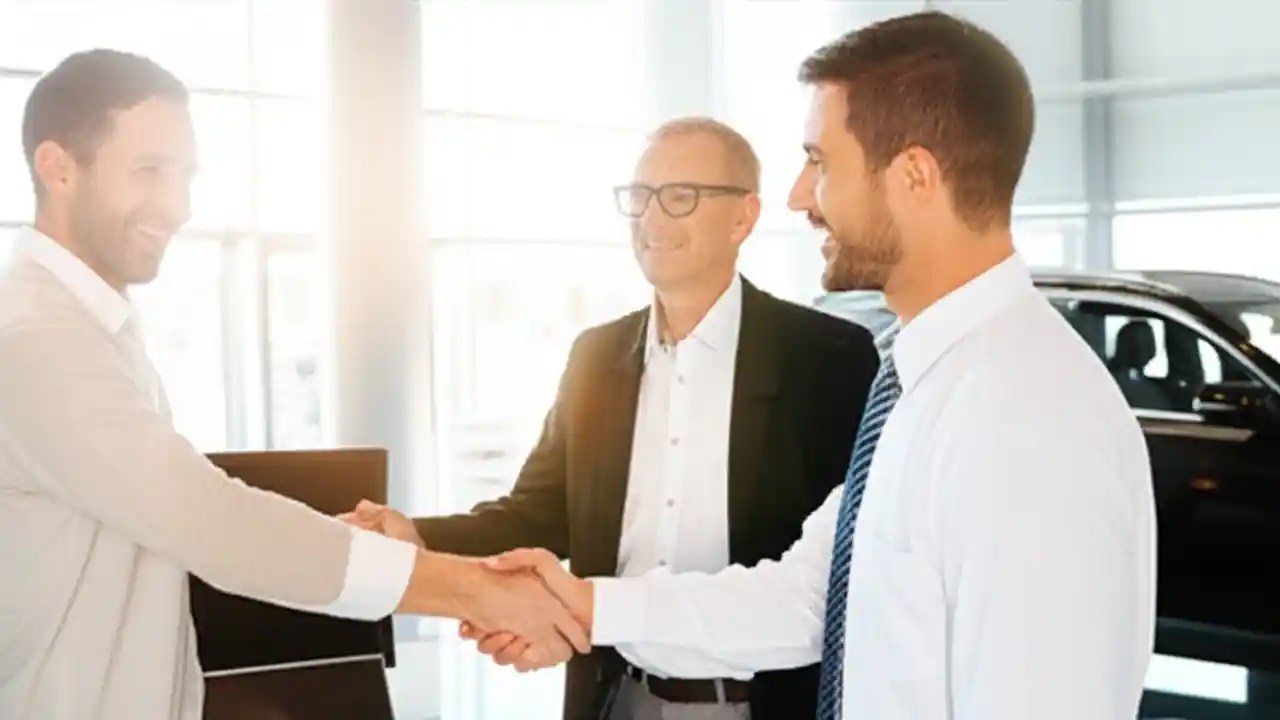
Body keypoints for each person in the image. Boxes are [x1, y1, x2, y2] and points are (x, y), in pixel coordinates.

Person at [462, 11, 1158, 720]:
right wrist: (586, 605)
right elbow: (804, 599)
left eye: (820, 162)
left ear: (914, 176)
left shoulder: (1026, 419)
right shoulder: (922, 383)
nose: (799, 196)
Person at [0, 50, 585, 720]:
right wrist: (472, 591)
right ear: (58, 169)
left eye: (185, 175)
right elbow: (207, 521)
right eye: (149, 171)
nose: (179, 205)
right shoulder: (35, 338)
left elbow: (153, 531)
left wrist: (330, 544)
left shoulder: (91, 325)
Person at [345, 117, 880, 719]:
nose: (652, 219)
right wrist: (420, 539)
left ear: (744, 217)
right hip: (612, 695)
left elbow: (843, 567)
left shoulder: (829, 356)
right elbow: (538, 515)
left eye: (680, 197)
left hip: (759, 703)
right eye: (640, 197)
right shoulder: (596, 356)